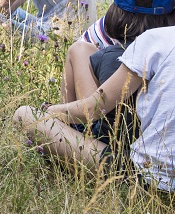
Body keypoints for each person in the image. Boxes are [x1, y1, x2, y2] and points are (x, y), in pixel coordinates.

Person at [13, 20, 175, 194]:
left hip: (142, 177)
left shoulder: (157, 40)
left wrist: (51, 110)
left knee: (25, 115)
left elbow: (93, 109)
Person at [60, 0, 175, 120]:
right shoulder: (167, 43)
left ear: (116, 13)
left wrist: (49, 111)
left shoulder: (112, 55)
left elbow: (93, 110)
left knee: (79, 49)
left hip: (106, 134)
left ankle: (67, 124)